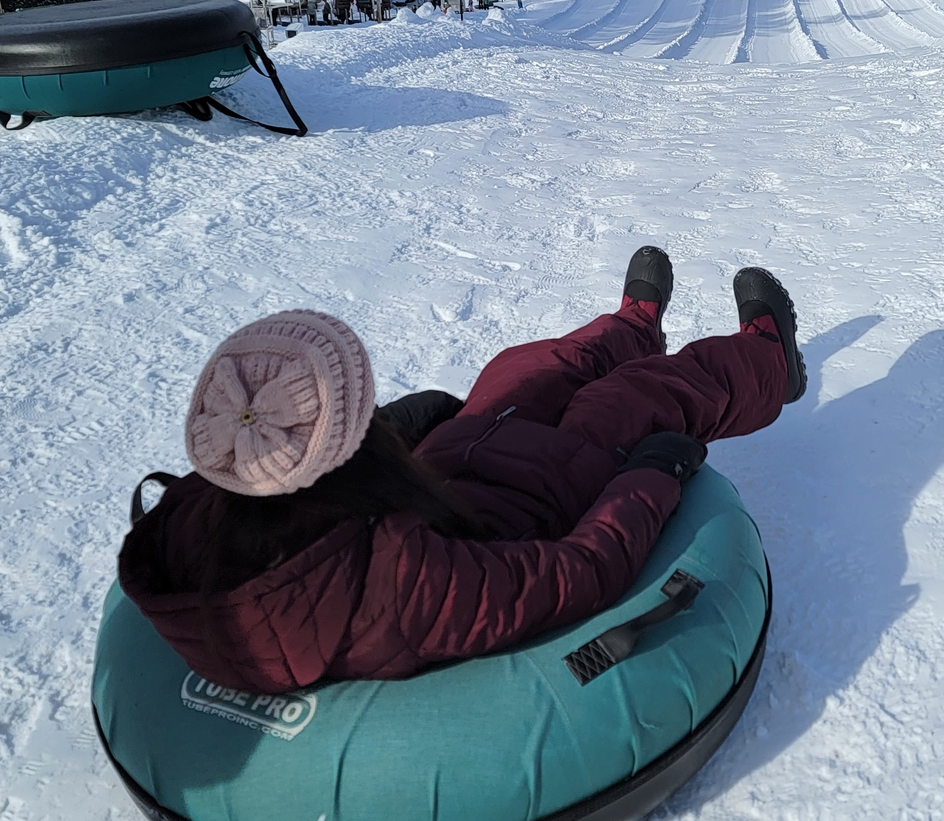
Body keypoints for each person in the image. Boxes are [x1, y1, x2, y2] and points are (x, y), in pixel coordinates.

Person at [118, 249, 807, 695]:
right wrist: (650, 477)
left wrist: (398, 428)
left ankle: (634, 326)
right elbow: (578, 572)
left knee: (528, 367)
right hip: (547, 489)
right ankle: (771, 360)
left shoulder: (207, 509)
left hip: (454, 460)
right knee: (635, 396)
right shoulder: (402, 584)